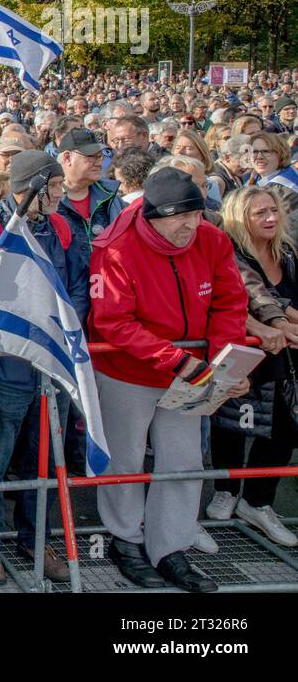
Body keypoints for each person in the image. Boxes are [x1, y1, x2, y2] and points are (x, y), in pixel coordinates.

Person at [89, 168, 249, 592]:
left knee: (183, 462)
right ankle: (126, 540)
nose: (190, 226)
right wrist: (176, 359)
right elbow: (112, 322)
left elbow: (231, 300)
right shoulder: (117, 247)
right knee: (123, 460)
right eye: (180, 217)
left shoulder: (212, 239)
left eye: (196, 215)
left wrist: (224, 362)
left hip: (192, 373)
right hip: (128, 373)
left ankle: (171, 548)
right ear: (152, 215)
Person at [0, 150, 92, 586]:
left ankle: (36, 539)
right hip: (6, 367)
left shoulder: (62, 227)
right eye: (53, 188)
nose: (60, 194)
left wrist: (61, 327)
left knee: (46, 459)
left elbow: (77, 288)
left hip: (52, 364)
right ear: (30, 188)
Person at [208, 186, 298, 547]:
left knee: (286, 427)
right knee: (231, 423)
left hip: (288, 358)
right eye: (260, 213)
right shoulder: (230, 251)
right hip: (247, 351)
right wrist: (282, 320)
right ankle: (225, 489)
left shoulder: (288, 253)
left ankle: (258, 501)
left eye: (273, 211)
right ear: (239, 217)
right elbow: (247, 295)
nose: (271, 218)